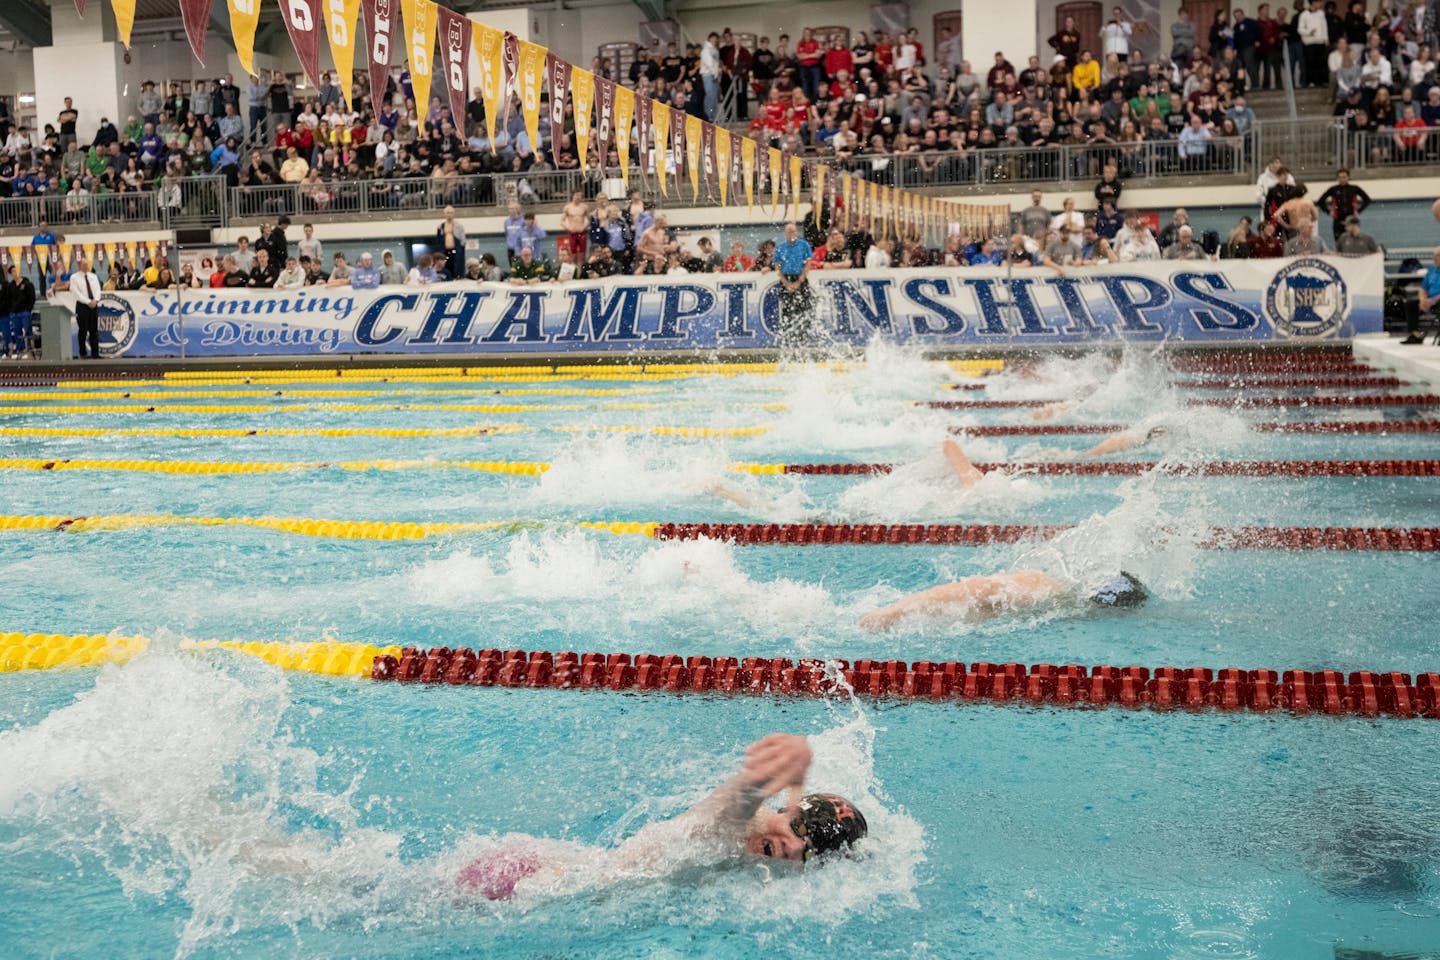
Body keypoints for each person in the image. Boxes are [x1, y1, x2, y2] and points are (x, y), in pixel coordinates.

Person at [773, 221, 814, 346]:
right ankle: (788, 339)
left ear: (797, 232)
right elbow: (777, 267)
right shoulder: (780, 248)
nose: (792, 233)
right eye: (789, 231)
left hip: (800, 277)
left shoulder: (804, 245)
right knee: (787, 311)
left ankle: (805, 338)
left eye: (794, 231)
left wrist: (799, 281)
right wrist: (786, 283)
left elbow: (808, 265)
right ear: (785, 233)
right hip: (786, 279)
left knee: (805, 308)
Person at [1315, 169, 1371, 241]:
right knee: (1339, 242)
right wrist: (1329, 212)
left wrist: (1358, 211)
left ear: (1348, 177)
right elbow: (1320, 202)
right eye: (1340, 177)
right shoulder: (1333, 189)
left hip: (1352, 220)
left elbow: (1367, 200)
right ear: (1337, 178)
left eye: (1344, 177)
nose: (1342, 179)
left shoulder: (1354, 188)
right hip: (1338, 220)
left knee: (1353, 241)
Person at [1406, 246, 1440, 345]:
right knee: (1410, 304)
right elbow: (1423, 288)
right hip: (1430, 300)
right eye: (1434, 256)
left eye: (1438, 256)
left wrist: (1432, 301)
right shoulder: (1431, 271)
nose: (1435, 258)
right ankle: (1415, 335)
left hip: (1437, 300)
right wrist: (1422, 300)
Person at [70, 257, 102, 359]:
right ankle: (83, 353)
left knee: (94, 331)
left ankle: (95, 354)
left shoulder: (93, 276)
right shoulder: (74, 277)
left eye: (87, 264)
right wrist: (88, 302)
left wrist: (96, 300)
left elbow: (97, 289)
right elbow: (76, 293)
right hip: (82, 306)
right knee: (83, 330)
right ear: (79, 265)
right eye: (83, 265)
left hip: (93, 305)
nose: (86, 266)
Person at [4, 264, 35, 359]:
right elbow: (8, 299)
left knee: (28, 331)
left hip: (24, 312)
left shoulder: (27, 284)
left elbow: (32, 297)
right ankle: (20, 349)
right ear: (11, 274)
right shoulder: (10, 286)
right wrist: (11, 310)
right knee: (17, 332)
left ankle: (29, 348)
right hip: (15, 313)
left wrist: (28, 309)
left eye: (16, 270)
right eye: (13, 271)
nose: (15, 273)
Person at [435, 205, 466, 280]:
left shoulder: (459, 226)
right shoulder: (441, 226)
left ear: (454, 214)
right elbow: (439, 239)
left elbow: (463, 239)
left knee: (457, 266)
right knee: (446, 266)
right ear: (445, 214)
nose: (449, 214)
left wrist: (461, 249)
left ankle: (457, 277)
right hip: (445, 251)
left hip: (455, 250)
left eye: (451, 213)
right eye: (448, 213)